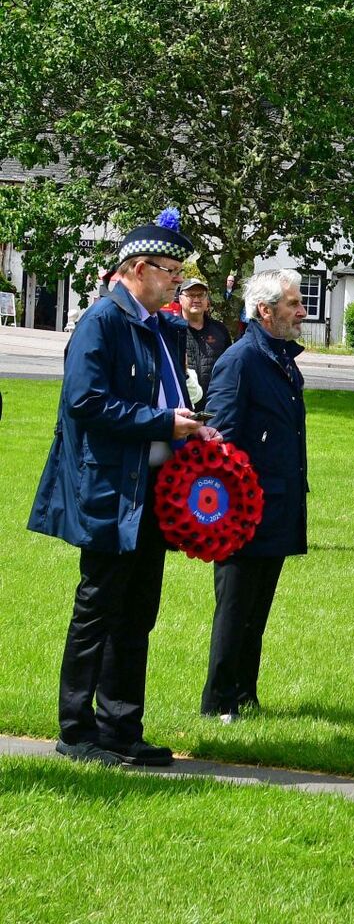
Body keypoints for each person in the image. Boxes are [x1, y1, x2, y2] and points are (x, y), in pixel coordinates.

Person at [28, 211, 218, 767]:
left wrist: (190, 425)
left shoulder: (155, 326)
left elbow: (160, 399)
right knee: (98, 611)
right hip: (111, 490)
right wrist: (162, 425)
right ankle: (76, 730)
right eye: (170, 273)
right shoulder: (102, 323)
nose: (178, 284)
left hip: (151, 490)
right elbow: (86, 403)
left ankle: (120, 728)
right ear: (137, 269)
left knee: (138, 614)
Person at [200, 269, 308, 722]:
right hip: (244, 510)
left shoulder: (282, 358)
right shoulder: (241, 360)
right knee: (236, 606)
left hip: (278, 504)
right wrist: (231, 507)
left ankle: (245, 693)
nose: (301, 312)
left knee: (257, 607)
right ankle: (219, 700)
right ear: (265, 311)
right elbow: (218, 439)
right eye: (292, 304)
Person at [174, 277, 231, 405]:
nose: (196, 299)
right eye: (191, 295)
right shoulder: (171, 330)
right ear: (180, 299)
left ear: (207, 300)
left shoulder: (220, 330)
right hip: (183, 405)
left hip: (216, 405)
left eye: (201, 295)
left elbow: (229, 368)